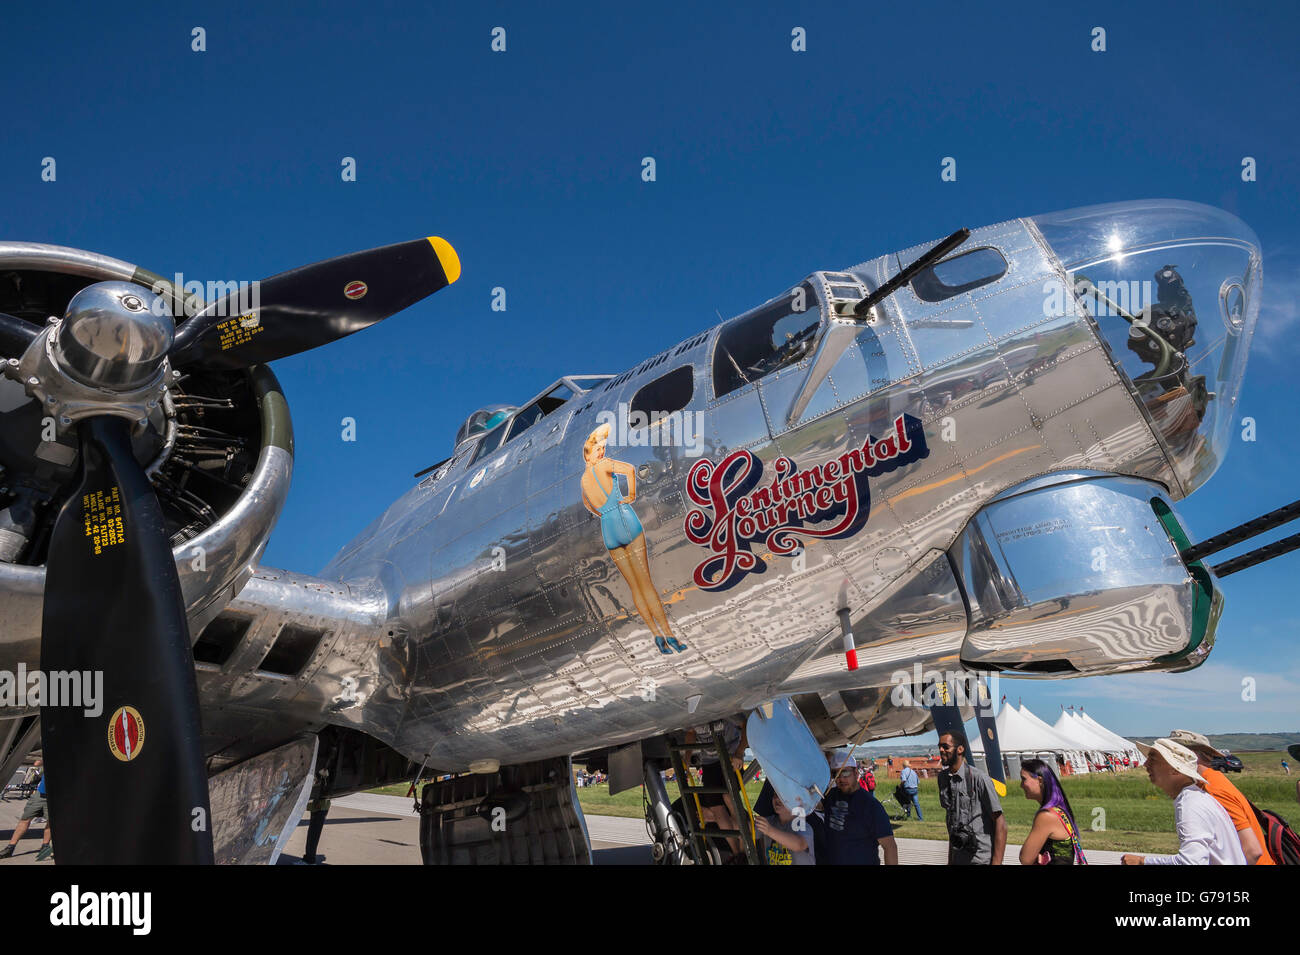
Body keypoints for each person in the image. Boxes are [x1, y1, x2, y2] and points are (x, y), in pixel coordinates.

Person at [580, 423, 684, 655]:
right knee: (645, 582)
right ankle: (669, 635)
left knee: (635, 587)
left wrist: (603, 513)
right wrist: (630, 496)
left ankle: (657, 637)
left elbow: (588, 505)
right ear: (590, 451)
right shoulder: (605, 465)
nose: (602, 452)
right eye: (599, 448)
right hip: (625, 520)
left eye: (603, 448)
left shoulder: (584, 480)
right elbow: (628, 470)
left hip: (608, 528)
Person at [1120, 739, 1245, 866]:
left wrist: (1141, 862)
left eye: (1153, 759)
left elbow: (1190, 862)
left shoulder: (1190, 804)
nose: (1146, 764)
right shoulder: (1198, 797)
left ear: (1175, 769)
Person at [1168, 729, 1274, 865]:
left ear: (1190, 756)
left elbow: (1252, 851)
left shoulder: (1211, 789)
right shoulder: (1211, 781)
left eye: (1173, 755)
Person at [937, 730, 1006, 865]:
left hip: (979, 859)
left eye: (945, 746)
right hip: (958, 857)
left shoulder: (979, 779)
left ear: (960, 749)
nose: (941, 750)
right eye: (939, 746)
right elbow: (951, 822)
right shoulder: (943, 778)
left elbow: (1000, 823)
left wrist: (996, 863)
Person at [684, 719, 747, 861]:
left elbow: (745, 724)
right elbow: (690, 732)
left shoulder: (725, 710)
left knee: (729, 798)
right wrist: (687, 757)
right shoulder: (694, 715)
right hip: (709, 763)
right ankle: (737, 853)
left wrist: (740, 752)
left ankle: (744, 849)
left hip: (730, 758)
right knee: (717, 809)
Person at [820, 754, 898, 865]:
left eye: (845, 772)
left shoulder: (871, 805)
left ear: (856, 773)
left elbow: (890, 847)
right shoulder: (830, 796)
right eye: (835, 774)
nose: (841, 778)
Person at [1017, 758, 1086, 865]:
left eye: (1023, 779)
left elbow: (1025, 858)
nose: (1021, 785)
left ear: (1039, 781)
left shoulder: (1046, 816)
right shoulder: (1059, 811)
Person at [0, 759, 51, 861]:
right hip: (40, 795)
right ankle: (10, 848)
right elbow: (36, 763)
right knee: (25, 819)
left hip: (54, 796)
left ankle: (45, 847)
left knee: (50, 823)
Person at [754, 789, 815, 865]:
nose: (776, 798)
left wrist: (770, 831)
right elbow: (746, 830)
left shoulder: (802, 825)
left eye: (782, 795)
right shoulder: (769, 822)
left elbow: (799, 845)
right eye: (775, 795)